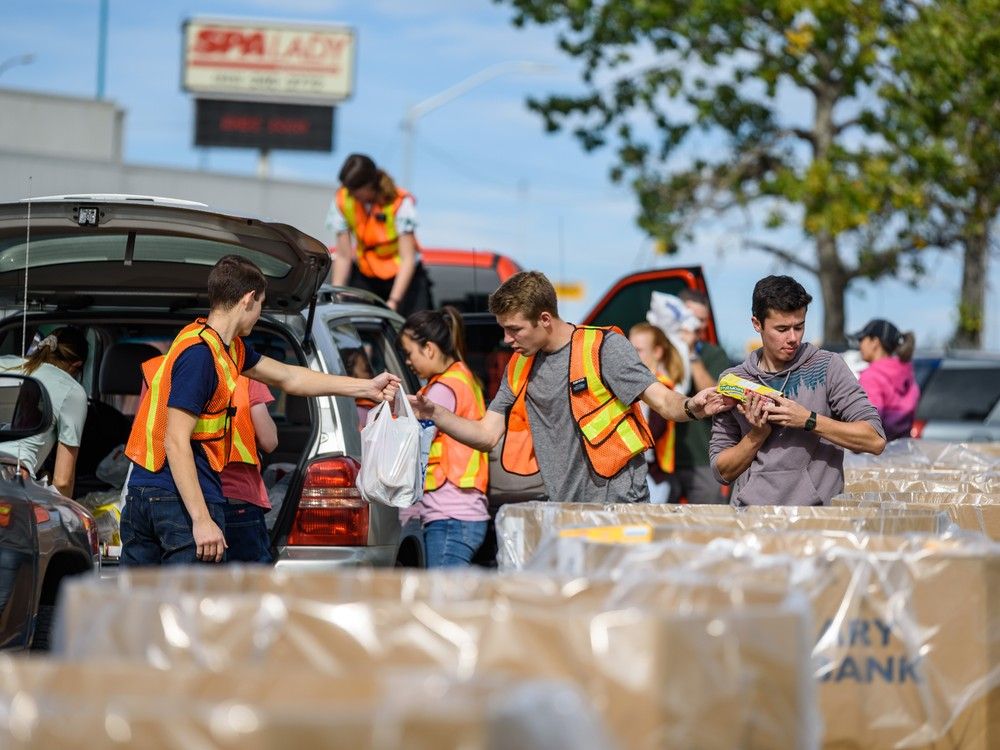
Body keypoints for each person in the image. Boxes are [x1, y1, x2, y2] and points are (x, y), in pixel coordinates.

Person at [120, 254, 400, 566]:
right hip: (177, 501)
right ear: (248, 299)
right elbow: (175, 439)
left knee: (139, 608)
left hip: (149, 493)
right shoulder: (201, 355)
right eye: (262, 304)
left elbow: (290, 377)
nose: (259, 314)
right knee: (190, 610)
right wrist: (201, 519)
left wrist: (365, 388)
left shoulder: (223, 347)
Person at [409, 271, 733, 505]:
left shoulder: (603, 347)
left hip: (619, 503)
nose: (507, 340)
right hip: (562, 505)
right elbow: (485, 436)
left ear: (545, 319)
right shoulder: (519, 365)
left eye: (515, 330)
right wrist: (434, 412)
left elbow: (661, 400)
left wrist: (692, 406)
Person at [709, 275, 886, 506]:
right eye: (781, 329)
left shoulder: (827, 367)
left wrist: (808, 420)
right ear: (757, 324)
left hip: (815, 521)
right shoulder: (735, 380)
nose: (793, 338)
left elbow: (875, 439)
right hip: (751, 520)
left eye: (799, 326)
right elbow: (721, 471)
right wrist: (756, 436)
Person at [400, 307, 490, 567]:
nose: (407, 361)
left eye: (409, 354)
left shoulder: (442, 390)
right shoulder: (463, 378)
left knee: (444, 603)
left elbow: (410, 443)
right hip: (462, 513)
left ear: (429, 348)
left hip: (450, 515)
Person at [326, 153, 433, 315]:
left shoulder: (399, 203)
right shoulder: (343, 199)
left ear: (370, 185)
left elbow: (408, 259)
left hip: (403, 278)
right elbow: (343, 255)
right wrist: (335, 296)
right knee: (356, 325)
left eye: (355, 190)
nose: (351, 194)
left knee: (413, 329)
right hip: (367, 275)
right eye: (348, 189)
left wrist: (393, 301)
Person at [0, 327, 89, 498]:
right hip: (11, 483)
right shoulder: (72, 391)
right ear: (77, 365)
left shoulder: (5, 363)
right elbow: (62, 481)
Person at [674, 288, 732, 504]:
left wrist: (690, 354)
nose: (699, 325)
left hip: (701, 459)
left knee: (706, 523)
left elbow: (713, 395)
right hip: (662, 462)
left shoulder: (713, 354)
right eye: (694, 319)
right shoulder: (659, 350)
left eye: (703, 320)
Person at [219, 376, 278, 563]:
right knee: (249, 586)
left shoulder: (159, 369)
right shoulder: (246, 375)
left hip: (181, 499)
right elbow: (269, 441)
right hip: (237, 498)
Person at [628, 322, 684, 504]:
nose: (630, 355)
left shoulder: (664, 387)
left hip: (654, 475)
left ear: (657, 352)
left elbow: (652, 432)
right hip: (634, 473)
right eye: (629, 348)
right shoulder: (630, 381)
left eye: (638, 350)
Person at [852, 319, 919, 441]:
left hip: (875, 455)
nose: (859, 344)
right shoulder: (907, 374)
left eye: (861, 339)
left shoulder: (871, 377)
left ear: (875, 342)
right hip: (903, 451)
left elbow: (868, 428)